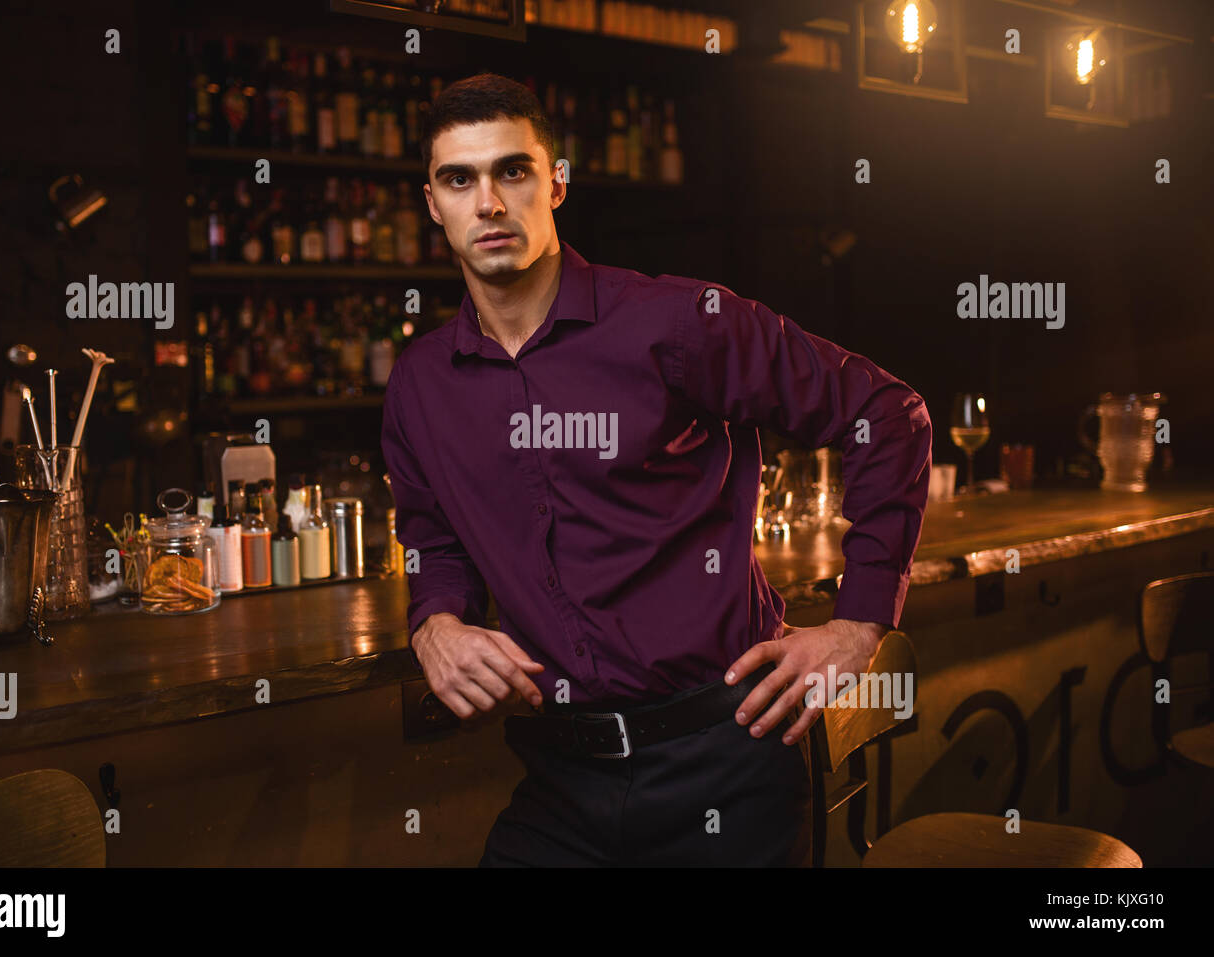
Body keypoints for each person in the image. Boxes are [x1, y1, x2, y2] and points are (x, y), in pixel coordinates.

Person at [380, 73, 932, 867]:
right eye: (459, 179)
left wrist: (861, 621)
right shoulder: (421, 384)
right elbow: (432, 533)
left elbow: (883, 410)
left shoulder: (676, 323)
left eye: (514, 170)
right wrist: (434, 617)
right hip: (560, 777)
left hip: (726, 762)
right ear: (432, 202)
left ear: (557, 181)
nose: (489, 203)